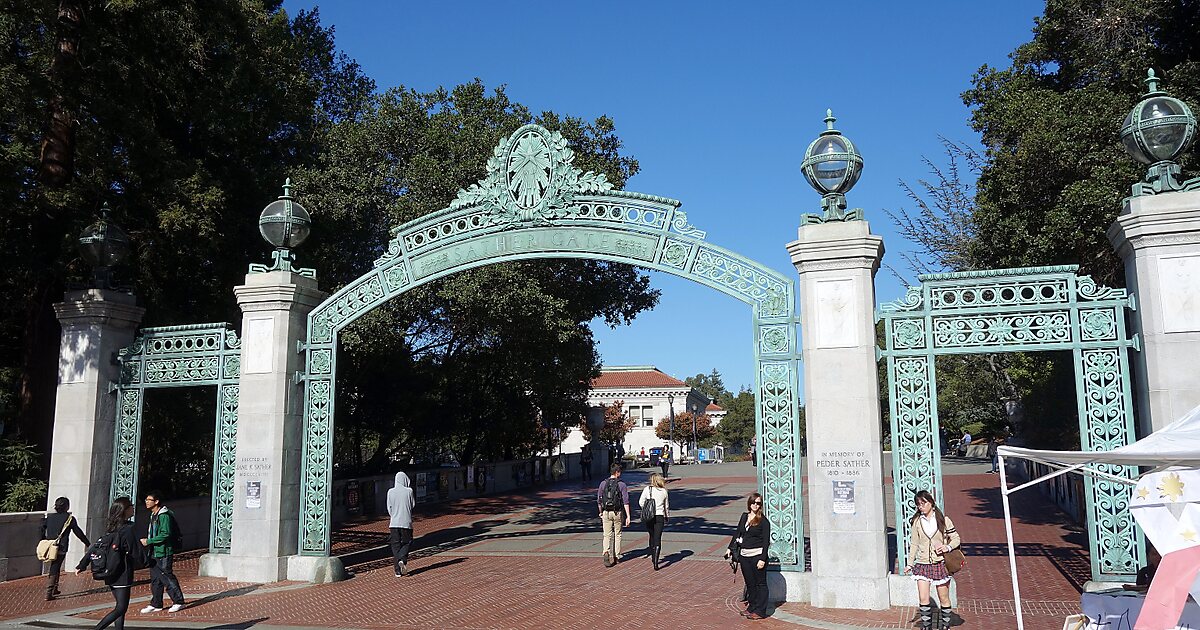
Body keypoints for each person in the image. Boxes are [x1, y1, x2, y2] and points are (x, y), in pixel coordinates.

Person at [76, 497, 142, 630]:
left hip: (111, 571)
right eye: (131, 506)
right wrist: (150, 563)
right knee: (121, 608)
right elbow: (136, 551)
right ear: (125, 510)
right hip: (122, 572)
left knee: (119, 607)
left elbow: (95, 547)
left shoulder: (111, 528)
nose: (133, 508)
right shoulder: (127, 529)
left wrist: (82, 565)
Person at [903, 490, 961, 629]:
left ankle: (945, 625)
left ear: (931, 503)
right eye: (918, 504)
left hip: (939, 563)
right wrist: (910, 564)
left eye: (923, 503)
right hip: (922, 564)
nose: (920, 507)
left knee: (944, 598)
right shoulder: (916, 521)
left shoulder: (943, 520)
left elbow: (956, 538)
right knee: (923, 598)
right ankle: (926, 626)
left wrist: (947, 547)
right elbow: (915, 544)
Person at [726, 492, 771, 620]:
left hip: (757, 556)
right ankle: (752, 606)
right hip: (744, 556)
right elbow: (738, 533)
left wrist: (762, 559)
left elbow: (766, 542)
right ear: (749, 504)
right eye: (753, 503)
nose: (755, 505)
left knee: (760, 584)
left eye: (758, 503)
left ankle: (760, 611)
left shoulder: (763, 521)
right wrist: (730, 548)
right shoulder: (744, 517)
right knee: (750, 583)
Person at [139, 490, 185, 613]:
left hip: (164, 551)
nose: (147, 502)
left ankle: (178, 601)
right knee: (155, 579)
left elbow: (165, 534)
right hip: (154, 551)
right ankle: (156, 603)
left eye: (149, 500)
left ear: (157, 501)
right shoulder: (153, 515)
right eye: (146, 500)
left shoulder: (164, 515)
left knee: (166, 576)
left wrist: (149, 541)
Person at [42, 496, 89, 601]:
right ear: (67, 506)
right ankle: (49, 591)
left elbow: (42, 528)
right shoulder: (69, 518)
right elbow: (78, 532)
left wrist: (44, 539)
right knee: (56, 566)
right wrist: (87, 543)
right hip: (61, 546)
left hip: (49, 544)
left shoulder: (49, 517)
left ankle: (55, 588)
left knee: (55, 565)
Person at [596, 463, 630, 567]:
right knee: (618, 533)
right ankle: (616, 554)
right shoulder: (622, 485)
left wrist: (601, 512)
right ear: (617, 472)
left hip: (606, 511)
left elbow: (599, 500)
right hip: (617, 512)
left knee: (607, 534)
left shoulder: (603, 483)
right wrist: (628, 516)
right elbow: (625, 501)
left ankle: (606, 552)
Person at [639, 472, 670, 570]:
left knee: (651, 535)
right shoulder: (664, 491)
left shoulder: (647, 489)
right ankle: (656, 562)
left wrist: (646, 508)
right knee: (658, 538)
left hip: (649, 516)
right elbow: (666, 506)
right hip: (659, 516)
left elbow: (641, 502)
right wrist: (667, 516)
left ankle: (653, 556)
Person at [387, 471, 416, 576]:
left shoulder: (390, 492)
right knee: (407, 542)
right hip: (406, 522)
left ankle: (397, 571)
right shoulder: (409, 491)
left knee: (395, 545)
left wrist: (394, 515)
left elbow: (389, 507)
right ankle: (402, 560)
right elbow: (412, 504)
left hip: (393, 523)